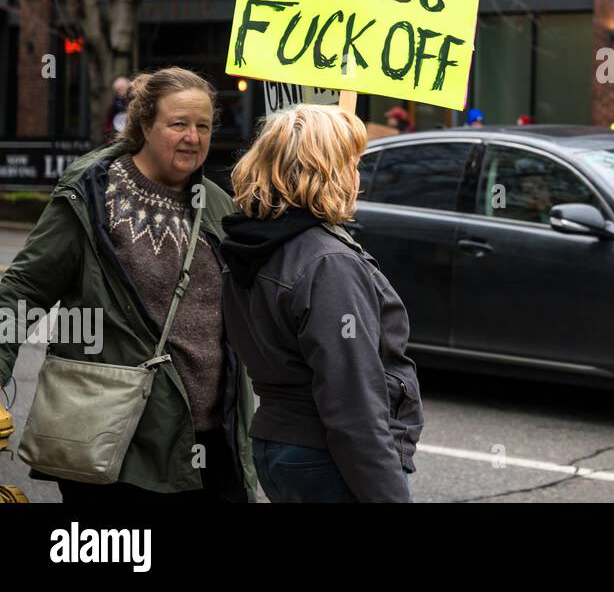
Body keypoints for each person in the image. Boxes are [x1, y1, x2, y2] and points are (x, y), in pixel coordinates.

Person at [0, 67, 257, 502]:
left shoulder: (219, 206)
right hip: (114, 441)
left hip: (209, 442)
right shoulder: (92, 198)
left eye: (203, 126)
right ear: (143, 126)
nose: (193, 137)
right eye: (178, 124)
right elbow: (23, 291)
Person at [219, 104, 424, 502]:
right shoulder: (328, 263)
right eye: (352, 162)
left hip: (279, 444)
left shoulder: (252, 243)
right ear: (327, 171)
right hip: (326, 455)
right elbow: (353, 404)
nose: (357, 175)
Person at [102, 75, 130, 141]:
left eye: (122, 89)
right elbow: (108, 120)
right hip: (117, 132)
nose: (121, 93)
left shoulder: (131, 102)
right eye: (118, 90)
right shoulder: (114, 104)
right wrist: (108, 133)